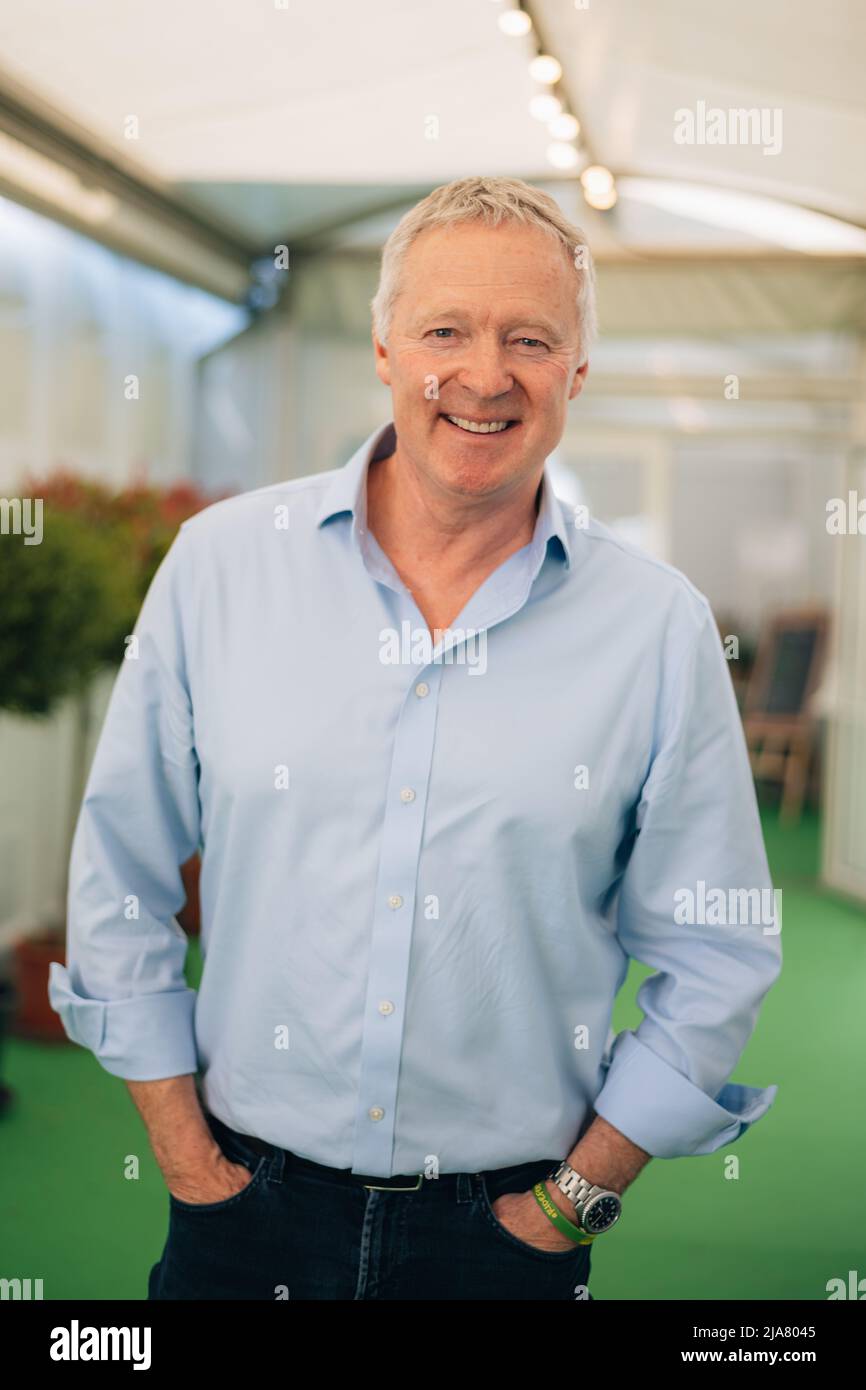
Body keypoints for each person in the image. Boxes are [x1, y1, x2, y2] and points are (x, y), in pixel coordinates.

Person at [49, 175, 781, 1301]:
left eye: (528, 339)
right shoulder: (221, 566)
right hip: (241, 1215)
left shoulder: (654, 627)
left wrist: (567, 1205)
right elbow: (120, 872)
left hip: (503, 1239)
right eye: (445, 329)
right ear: (385, 348)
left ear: (574, 373)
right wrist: (189, 1161)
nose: (484, 375)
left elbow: (717, 947)